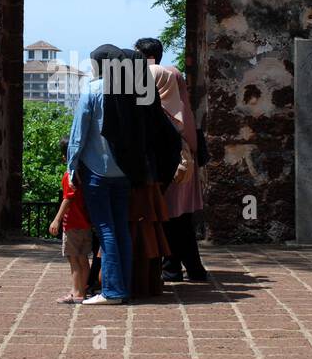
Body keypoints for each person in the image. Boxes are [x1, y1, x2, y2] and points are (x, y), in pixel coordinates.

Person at [135, 37, 209, 282]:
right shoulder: (174, 80)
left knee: (169, 216)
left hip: (169, 162)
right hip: (184, 157)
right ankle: (181, 267)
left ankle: (175, 267)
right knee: (179, 218)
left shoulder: (153, 91)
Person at [66, 45, 135, 305]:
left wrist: (72, 167)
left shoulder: (93, 90)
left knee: (105, 229)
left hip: (97, 170)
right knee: (120, 229)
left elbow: (78, 134)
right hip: (124, 170)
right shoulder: (130, 89)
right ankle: (124, 286)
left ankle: (112, 291)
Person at [48, 138, 92, 305]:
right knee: (83, 259)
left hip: (72, 224)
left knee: (73, 259)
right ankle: (82, 290)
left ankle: (76, 293)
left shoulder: (70, 175)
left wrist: (56, 220)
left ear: (64, 158)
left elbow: (67, 199)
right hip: (85, 224)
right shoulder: (86, 174)